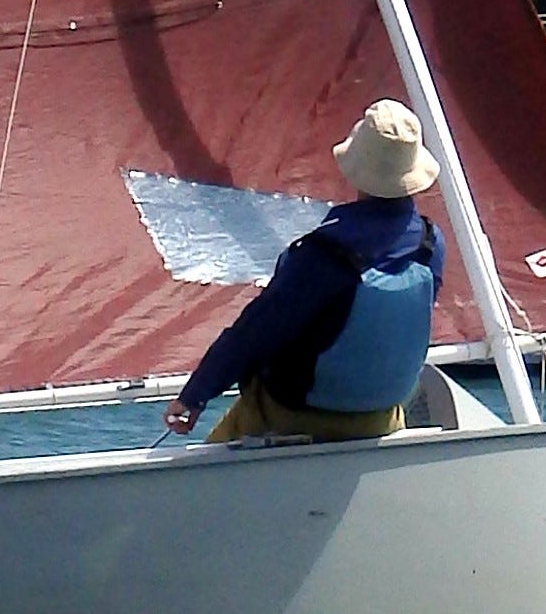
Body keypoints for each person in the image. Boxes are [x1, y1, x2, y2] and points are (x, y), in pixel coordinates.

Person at [163, 99, 447, 443]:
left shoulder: (320, 257)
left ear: (357, 168)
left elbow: (254, 333)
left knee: (209, 471)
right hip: (380, 420)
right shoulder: (430, 245)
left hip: (293, 418)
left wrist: (194, 395)